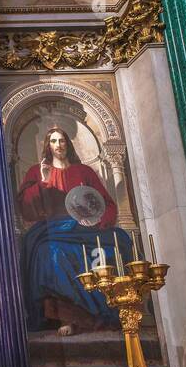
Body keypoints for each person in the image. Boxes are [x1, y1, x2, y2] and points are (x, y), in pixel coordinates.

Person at [18, 125, 132, 336]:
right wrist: (43, 181)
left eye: (61, 140)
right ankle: (69, 318)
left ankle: (120, 307)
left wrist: (98, 221)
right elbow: (26, 207)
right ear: (47, 145)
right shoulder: (37, 170)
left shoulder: (84, 171)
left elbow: (106, 204)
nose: (58, 145)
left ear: (67, 144)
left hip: (85, 228)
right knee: (50, 252)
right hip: (53, 229)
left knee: (120, 239)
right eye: (53, 141)